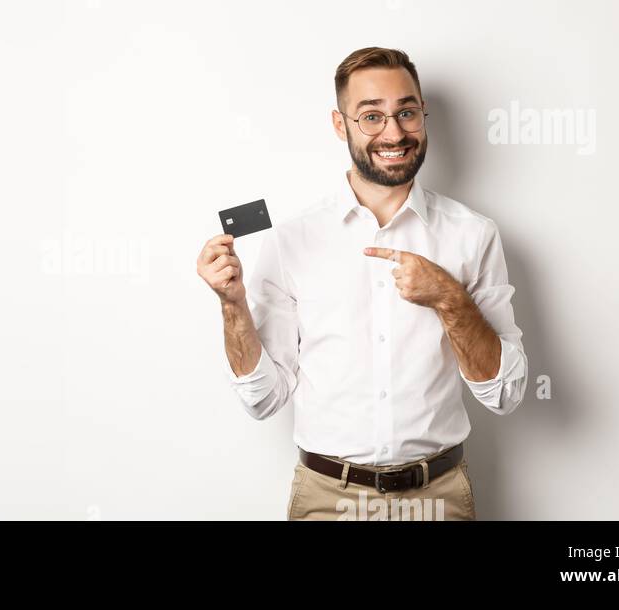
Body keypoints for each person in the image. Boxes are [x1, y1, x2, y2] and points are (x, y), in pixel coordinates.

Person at [195, 47, 527, 521]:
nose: (394, 133)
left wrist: (450, 299)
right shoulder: (291, 240)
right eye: (371, 116)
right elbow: (263, 399)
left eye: (406, 113)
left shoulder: (474, 234)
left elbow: (506, 394)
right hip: (328, 500)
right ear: (339, 124)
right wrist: (232, 306)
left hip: (438, 498)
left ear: (424, 115)